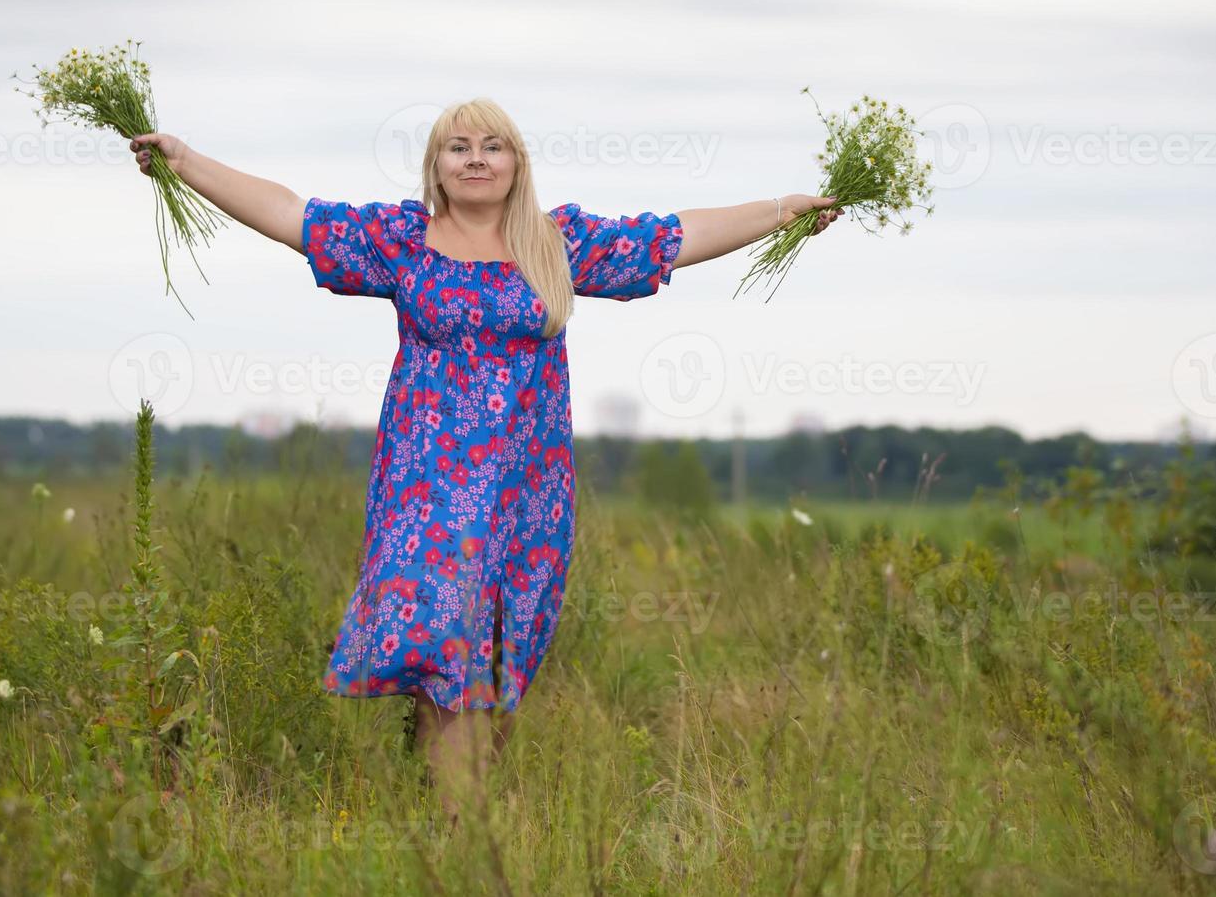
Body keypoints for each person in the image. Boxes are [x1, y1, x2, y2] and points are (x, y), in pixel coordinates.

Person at [130, 97, 842, 825]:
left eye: (493, 146)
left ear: (516, 163)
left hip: (527, 491)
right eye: (458, 147)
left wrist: (781, 210)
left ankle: (444, 815)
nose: (476, 158)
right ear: (436, 165)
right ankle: (458, 833)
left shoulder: (554, 243)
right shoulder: (400, 239)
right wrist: (185, 163)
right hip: (426, 489)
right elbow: (289, 214)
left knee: (498, 662)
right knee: (448, 637)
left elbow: (673, 237)